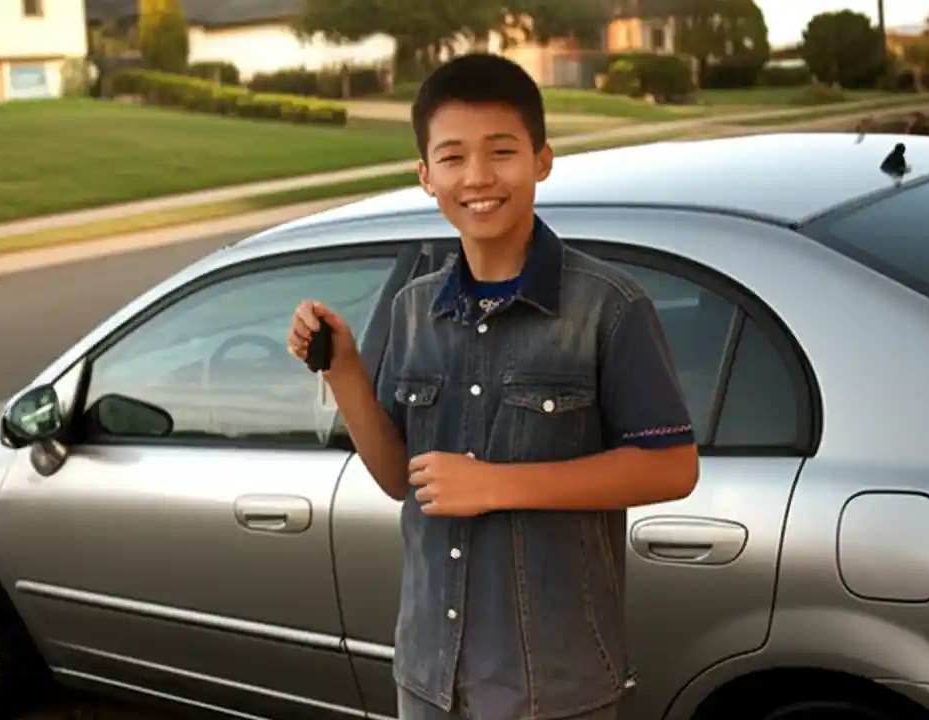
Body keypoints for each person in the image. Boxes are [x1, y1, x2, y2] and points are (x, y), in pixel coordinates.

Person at [287, 53, 700, 720]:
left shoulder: (609, 307)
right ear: (425, 175)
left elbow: (673, 467)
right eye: (452, 158)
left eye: (501, 151)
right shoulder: (414, 308)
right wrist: (345, 374)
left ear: (542, 159)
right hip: (428, 677)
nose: (477, 177)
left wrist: (499, 484)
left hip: (553, 689)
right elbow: (403, 479)